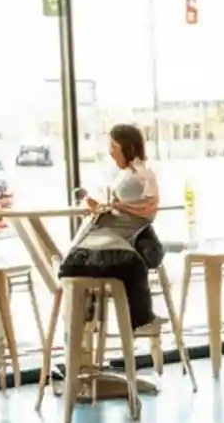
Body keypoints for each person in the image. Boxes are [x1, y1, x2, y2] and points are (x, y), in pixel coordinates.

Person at [59, 124, 164, 333]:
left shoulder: (135, 177)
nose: (110, 152)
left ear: (128, 148)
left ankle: (90, 322)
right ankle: (103, 322)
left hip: (87, 256)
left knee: (130, 264)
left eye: (114, 147)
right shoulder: (133, 175)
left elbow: (124, 202)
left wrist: (103, 204)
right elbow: (119, 204)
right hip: (105, 249)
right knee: (131, 264)